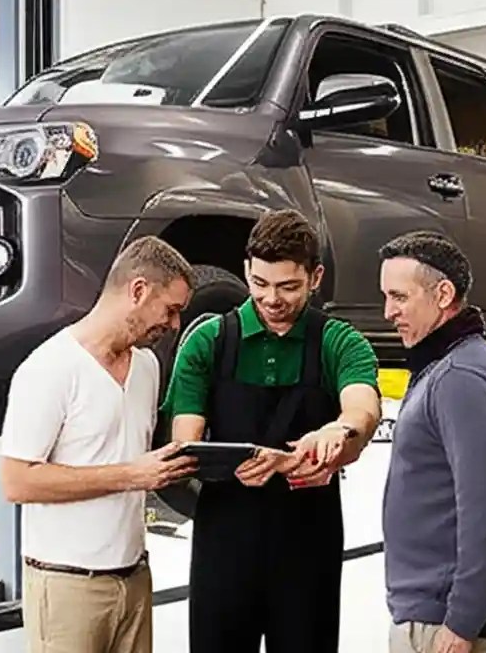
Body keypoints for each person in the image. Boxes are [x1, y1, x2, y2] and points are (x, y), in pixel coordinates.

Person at [161, 209, 382, 653]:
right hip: (225, 546)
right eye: (260, 283)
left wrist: (337, 434)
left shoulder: (339, 342)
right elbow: (185, 441)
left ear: (315, 277)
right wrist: (218, 459)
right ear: (246, 269)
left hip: (308, 549)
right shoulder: (209, 341)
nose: (272, 298)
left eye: (288, 286)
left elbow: (363, 409)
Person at [0, 235, 201, 653]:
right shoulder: (49, 368)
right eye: (171, 309)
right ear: (138, 290)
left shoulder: (147, 367)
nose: (175, 324)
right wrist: (132, 475)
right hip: (68, 588)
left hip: (135, 580)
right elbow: (18, 482)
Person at [378, 231, 486, 653]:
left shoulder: (459, 377)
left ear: (443, 294)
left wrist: (462, 622)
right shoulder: (446, 366)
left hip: (442, 624)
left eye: (399, 297)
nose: (388, 312)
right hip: (434, 614)